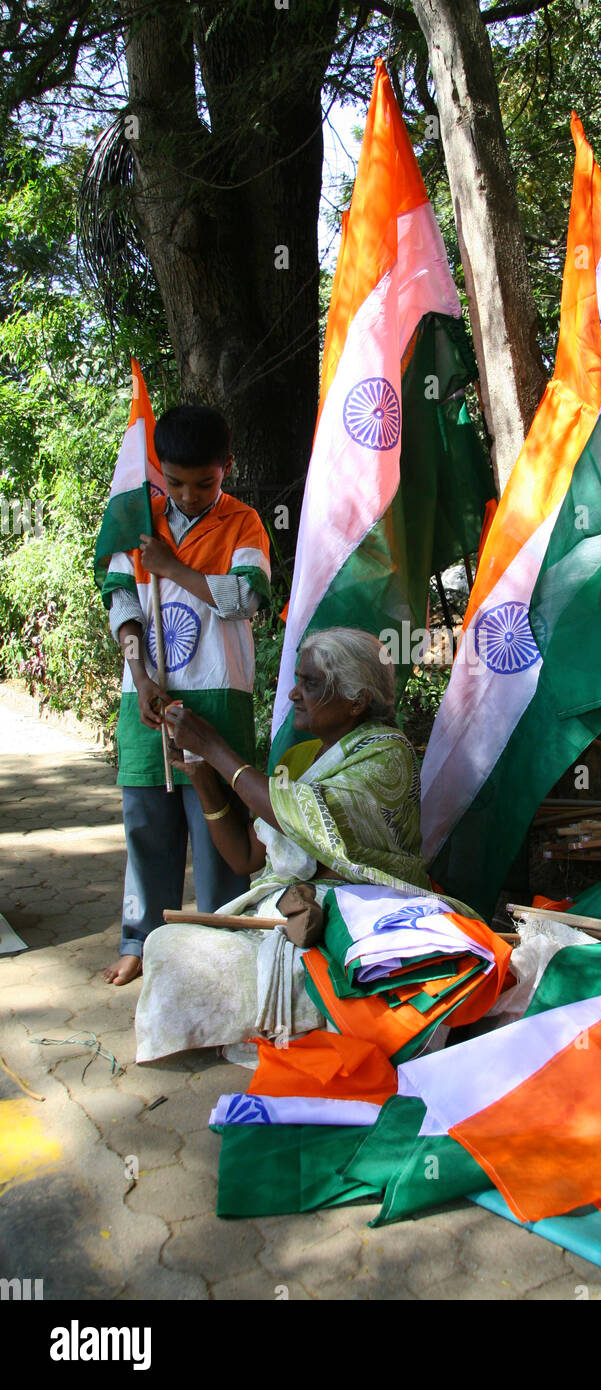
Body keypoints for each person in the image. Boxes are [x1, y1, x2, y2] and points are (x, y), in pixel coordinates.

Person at [134, 628, 438, 1063]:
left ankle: (307, 1028)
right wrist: (203, 776)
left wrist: (214, 747)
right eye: (298, 680)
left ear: (356, 700)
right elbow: (245, 856)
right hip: (288, 912)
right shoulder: (304, 758)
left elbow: (302, 816)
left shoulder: (390, 753)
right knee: (167, 943)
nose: (294, 693)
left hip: (358, 918)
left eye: (311, 683)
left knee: (296, 964)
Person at [100, 404, 270, 985]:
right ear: (159, 472)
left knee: (219, 825)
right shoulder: (137, 519)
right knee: (147, 825)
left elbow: (247, 599)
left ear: (227, 467)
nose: (190, 495)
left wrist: (170, 567)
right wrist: (139, 672)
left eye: (206, 483)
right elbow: (121, 600)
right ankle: (140, 941)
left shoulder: (245, 522)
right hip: (144, 696)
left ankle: (224, 941)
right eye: (175, 482)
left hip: (218, 700)